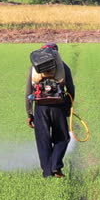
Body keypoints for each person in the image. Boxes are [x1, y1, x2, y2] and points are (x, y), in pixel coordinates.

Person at [26, 42, 75, 178]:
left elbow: (28, 92)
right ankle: (56, 167)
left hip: (40, 107)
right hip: (58, 106)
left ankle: (47, 172)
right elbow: (71, 89)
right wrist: (68, 108)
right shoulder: (63, 67)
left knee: (43, 140)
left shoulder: (34, 69)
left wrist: (30, 113)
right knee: (62, 138)